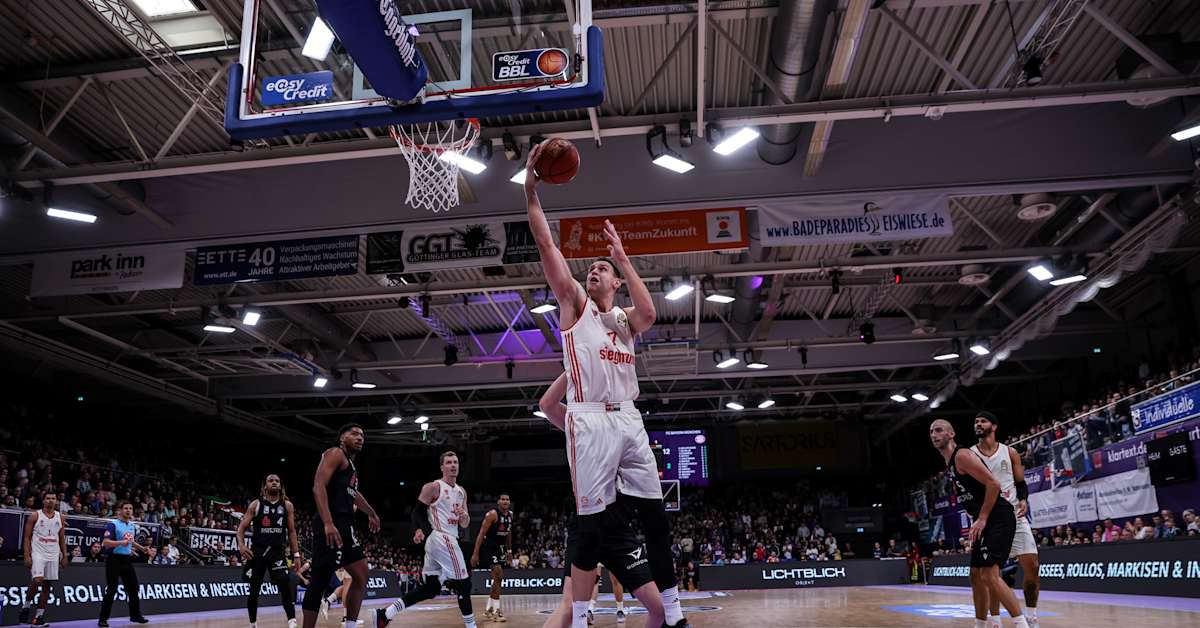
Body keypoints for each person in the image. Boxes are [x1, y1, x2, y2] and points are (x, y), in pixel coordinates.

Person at [524, 145, 676, 628]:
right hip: (589, 418)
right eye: (591, 268)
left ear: (615, 283)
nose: (594, 270)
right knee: (586, 535)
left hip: (625, 418)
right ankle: (581, 616)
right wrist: (531, 192)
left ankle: (669, 610)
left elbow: (649, 314)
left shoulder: (624, 321)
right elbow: (547, 247)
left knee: (651, 525)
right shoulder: (576, 303)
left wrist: (623, 259)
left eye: (602, 268)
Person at [540, 373, 654, 628]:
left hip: (618, 526)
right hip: (586, 521)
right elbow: (547, 404)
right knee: (570, 607)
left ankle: (622, 608)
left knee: (659, 608)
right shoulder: (582, 422)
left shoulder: (629, 422)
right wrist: (574, 367)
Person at [930, 419, 1028, 628]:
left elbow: (993, 484)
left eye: (938, 430)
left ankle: (1022, 625)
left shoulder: (962, 456)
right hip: (985, 518)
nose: (934, 434)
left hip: (997, 516)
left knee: (989, 574)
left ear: (951, 434)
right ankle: (980, 625)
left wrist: (982, 518)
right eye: (931, 432)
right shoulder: (950, 463)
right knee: (975, 575)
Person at [377, 451, 476, 628]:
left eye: (455, 462)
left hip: (444, 539)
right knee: (464, 583)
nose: (453, 465)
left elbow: (465, 523)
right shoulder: (434, 487)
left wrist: (464, 516)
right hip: (441, 537)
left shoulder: (461, 492)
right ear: (442, 467)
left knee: (431, 588)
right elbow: (417, 512)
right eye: (449, 462)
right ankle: (471, 626)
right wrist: (417, 529)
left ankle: (385, 614)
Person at [301, 424, 381, 628]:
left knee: (361, 574)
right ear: (342, 438)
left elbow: (354, 494)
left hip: (346, 526)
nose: (360, 437)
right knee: (320, 579)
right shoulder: (335, 453)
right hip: (331, 524)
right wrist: (328, 522)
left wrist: (371, 512)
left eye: (362, 434)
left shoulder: (351, 465)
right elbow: (318, 486)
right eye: (354, 434)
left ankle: (350, 625)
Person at [972, 411, 1042, 628]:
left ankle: (1032, 616)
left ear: (994, 426)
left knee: (1033, 565)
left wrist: (1024, 499)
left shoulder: (1010, 452)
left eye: (983, 421)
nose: (978, 424)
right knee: (992, 572)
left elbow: (1020, 482)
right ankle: (995, 620)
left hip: (1014, 515)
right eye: (976, 422)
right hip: (991, 519)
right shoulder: (970, 455)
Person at [237, 473, 300, 628]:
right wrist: (242, 545)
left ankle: (292, 621)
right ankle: (253, 623)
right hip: (258, 552)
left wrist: (296, 554)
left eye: (277, 481)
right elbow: (241, 528)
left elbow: (292, 531)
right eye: (270, 480)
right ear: (265, 485)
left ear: (280, 485)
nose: (274, 482)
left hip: (277, 552)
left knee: (285, 584)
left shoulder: (287, 505)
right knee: (254, 590)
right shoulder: (256, 504)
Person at [98, 501, 150, 626]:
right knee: (112, 589)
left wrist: (142, 548)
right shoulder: (113, 524)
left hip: (126, 560)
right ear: (120, 510)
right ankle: (103, 619)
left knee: (134, 588)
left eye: (130, 508)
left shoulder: (131, 525)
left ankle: (135, 616)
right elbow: (106, 542)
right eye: (126, 508)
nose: (128, 510)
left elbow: (130, 541)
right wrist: (121, 543)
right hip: (114, 559)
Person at [19, 491, 67, 626]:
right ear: (43, 500)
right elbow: (26, 537)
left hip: (53, 553)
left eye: (53, 498)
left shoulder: (60, 517)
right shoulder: (35, 515)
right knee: (37, 580)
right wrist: (27, 555)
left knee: (47, 586)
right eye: (48, 498)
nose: (51, 500)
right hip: (38, 553)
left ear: (56, 501)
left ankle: (38, 617)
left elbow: (61, 538)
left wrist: (64, 555)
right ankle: (26, 606)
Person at [472, 494, 515, 622]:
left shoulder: (510, 515)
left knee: (497, 579)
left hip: (500, 548)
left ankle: (489, 609)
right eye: (503, 499)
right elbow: (481, 534)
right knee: (498, 574)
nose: (505, 501)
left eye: (507, 499)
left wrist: (509, 551)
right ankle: (497, 612)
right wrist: (475, 553)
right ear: (498, 502)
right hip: (489, 548)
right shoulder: (492, 514)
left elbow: (508, 533)